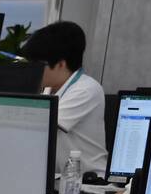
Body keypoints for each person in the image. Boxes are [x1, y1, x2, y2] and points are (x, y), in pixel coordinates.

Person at [19, 20, 108, 174]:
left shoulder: (86, 89)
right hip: (59, 180)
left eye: (37, 64)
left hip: (90, 182)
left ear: (61, 64)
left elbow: (38, 126)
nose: (32, 70)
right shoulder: (48, 90)